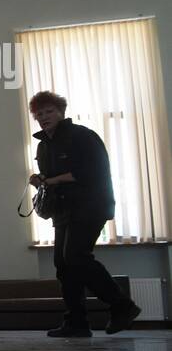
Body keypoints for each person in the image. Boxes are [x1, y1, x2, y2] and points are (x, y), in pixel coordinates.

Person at [29, 91, 141, 337]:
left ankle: (122, 305)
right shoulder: (43, 145)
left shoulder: (82, 136)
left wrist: (50, 180)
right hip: (63, 210)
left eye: (49, 112)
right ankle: (76, 322)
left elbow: (88, 173)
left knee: (76, 256)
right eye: (39, 114)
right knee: (63, 263)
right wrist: (39, 181)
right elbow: (50, 180)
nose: (44, 117)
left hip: (90, 205)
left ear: (61, 112)